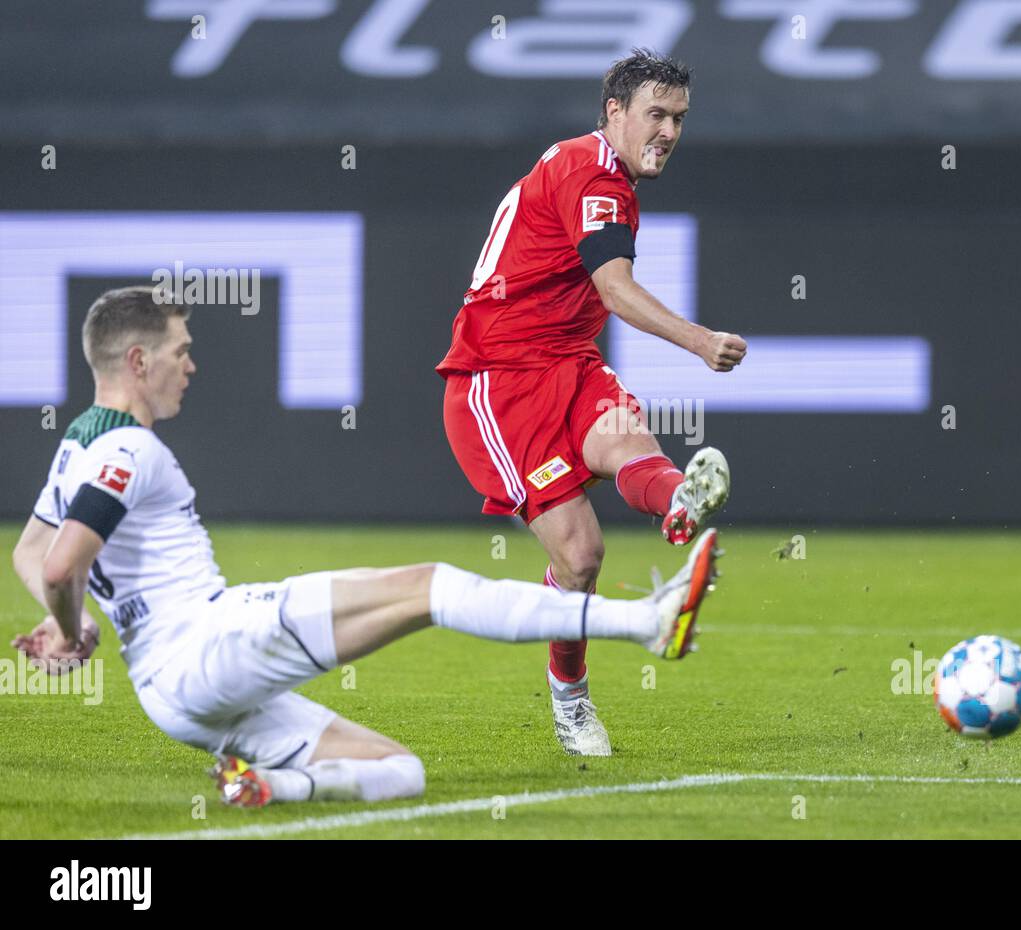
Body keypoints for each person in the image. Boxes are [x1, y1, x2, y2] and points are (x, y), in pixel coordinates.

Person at [9, 286, 720, 807]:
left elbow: (33, 554)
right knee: (431, 586)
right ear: (138, 360)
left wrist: (60, 614)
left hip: (173, 696)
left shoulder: (78, 444)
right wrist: (72, 631)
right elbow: (66, 561)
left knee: (398, 772)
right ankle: (648, 623)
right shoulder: (128, 447)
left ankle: (267, 787)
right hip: (206, 643)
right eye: (179, 351)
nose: (189, 367)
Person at [437, 48, 747, 756]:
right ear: (615, 114)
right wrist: (700, 341)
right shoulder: (593, 173)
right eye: (655, 115)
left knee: (628, 444)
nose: (668, 131)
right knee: (581, 556)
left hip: (570, 364)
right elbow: (614, 288)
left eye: (679, 119)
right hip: (498, 382)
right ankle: (569, 699)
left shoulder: (598, 172)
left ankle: (678, 503)